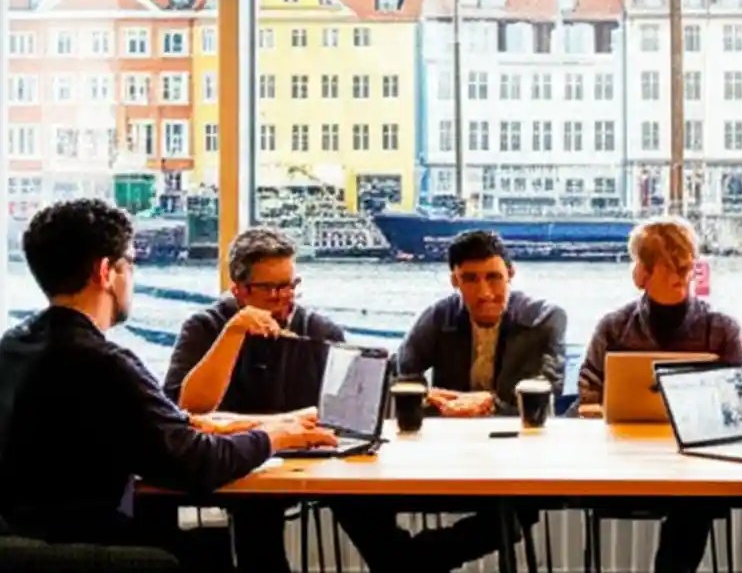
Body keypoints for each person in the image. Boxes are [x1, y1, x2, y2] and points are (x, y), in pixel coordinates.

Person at [0, 199, 334, 570]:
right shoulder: (106, 364)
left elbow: (159, 423)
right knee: (212, 553)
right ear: (106, 272)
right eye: (131, 263)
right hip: (89, 545)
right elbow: (198, 463)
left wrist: (255, 425)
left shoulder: (12, 347)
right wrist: (276, 438)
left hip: (23, 545)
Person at [162, 227, 381, 572]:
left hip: (310, 458)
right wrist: (233, 334)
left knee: (373, 519)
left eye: (290, 285)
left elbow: (353, 406)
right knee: (256, 519)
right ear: (239, 289)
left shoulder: (317, 330)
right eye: (272, 288)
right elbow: (186, 409)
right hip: (237, 461)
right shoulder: (205, 327)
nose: (284, 297)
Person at [386, 230, 567, 571]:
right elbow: (399, 377)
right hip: (447, 454)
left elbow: (545, 394)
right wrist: (431, 397)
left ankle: (410, 560)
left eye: (494, 278)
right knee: (355, 501)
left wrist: (488, 404)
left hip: (516, 456)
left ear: (510, 275)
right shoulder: (437, 316)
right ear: (454, 280)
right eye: (470, 279)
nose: (484, 292)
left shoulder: (545, 319)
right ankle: (407, 560)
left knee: (518, 508)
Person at [577, 216, 742, 572]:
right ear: (641, 274)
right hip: (625, 463)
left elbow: (737, 409)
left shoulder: (722, 329)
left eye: (686, 267)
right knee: (693, 502)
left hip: (696, 465)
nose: (680, 276)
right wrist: (599, 413)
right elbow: (587, 397)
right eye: (672, 266)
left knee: (695, 498)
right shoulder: (612, 328)